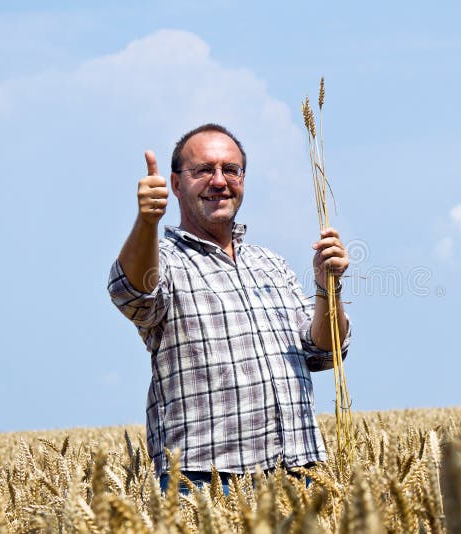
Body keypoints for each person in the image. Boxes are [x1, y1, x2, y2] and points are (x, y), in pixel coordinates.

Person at [107, 123, 350, 492]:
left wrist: (327, 287)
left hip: (301, 474)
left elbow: (324, 351)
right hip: (206, 483)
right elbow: (131, 293)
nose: (219, 181)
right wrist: (147, 222)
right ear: (175, 185)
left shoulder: (270, 263)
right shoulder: (166, 260)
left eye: (231, 170)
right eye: (203, 170)